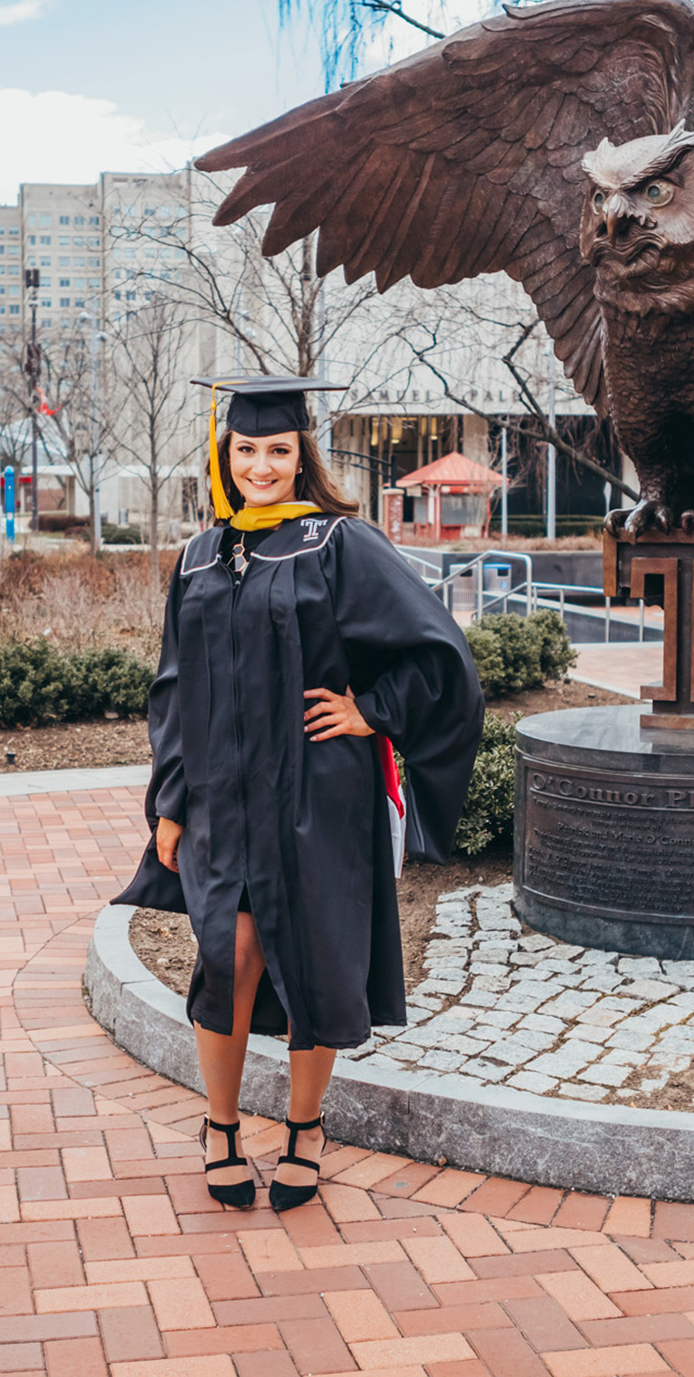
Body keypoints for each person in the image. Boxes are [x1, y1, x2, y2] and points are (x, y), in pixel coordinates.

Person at [114, 376, 484, 1211]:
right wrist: (168, 803)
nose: (261, 466)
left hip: (319, 798)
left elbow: (437, 652)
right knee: (228, 960)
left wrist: (371, 712)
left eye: (277, 451)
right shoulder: (202, 556)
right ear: (226, 455)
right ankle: (220, 1129)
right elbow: (175, 690)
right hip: (220, 799)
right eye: (246, 450)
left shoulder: (337, 545)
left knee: (317, 965)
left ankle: (306, 1130)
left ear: (300, 455)